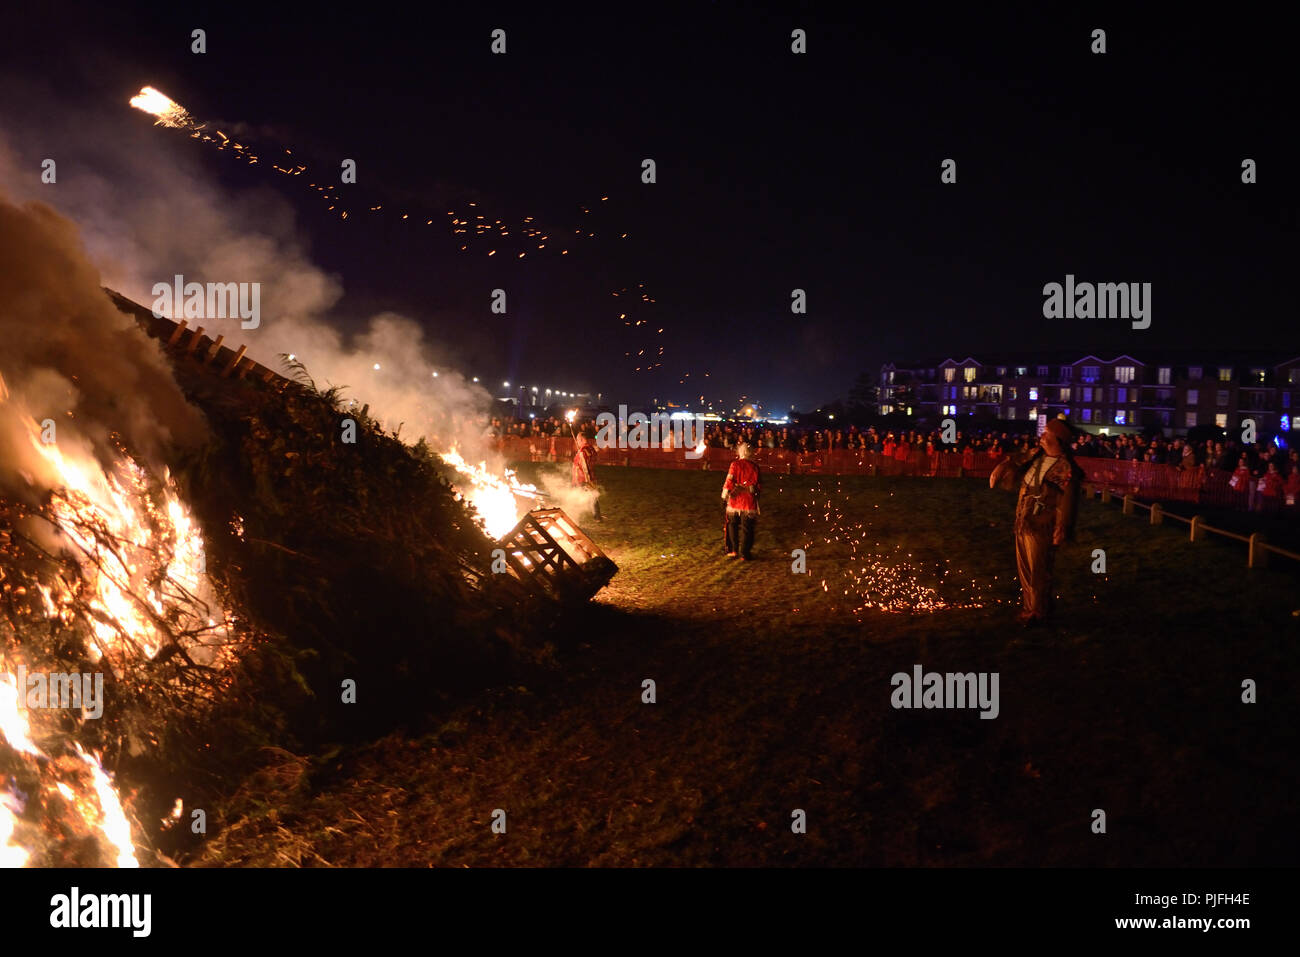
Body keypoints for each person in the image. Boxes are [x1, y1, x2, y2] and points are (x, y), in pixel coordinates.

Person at [988, 416, 1084, 625]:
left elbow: (1067, 503)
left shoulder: (1066, 469)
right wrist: (1001, 467)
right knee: (1024, 569)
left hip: (1042, 525)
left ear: (1057, 439)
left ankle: (1039, 611)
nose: (1041, 437)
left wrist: (1062, 528)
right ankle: (1029, 607)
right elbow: (1014, 460)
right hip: (1023, 521)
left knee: (1038, 571)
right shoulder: (1036, 455)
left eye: (1047, 433)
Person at [722, 442, 761, 561]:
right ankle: (745, 553)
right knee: (747, 528)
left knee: (732, 525)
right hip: (748, 502)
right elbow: (757, 486)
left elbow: (729, 481)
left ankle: (734, 550)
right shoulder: (754, 467)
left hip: (734, 500)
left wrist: (725, 495)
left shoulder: (735, 464)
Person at [572, 433, 602, 521]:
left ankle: (573, 516)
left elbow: (584, 466)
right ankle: (597, 517)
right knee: (593, 497)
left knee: (575, 496)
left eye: (578, 440)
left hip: (582, 478)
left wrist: (585, 479)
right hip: (591, 477)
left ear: (582, 439)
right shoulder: (591, 448)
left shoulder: (583, 451)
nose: (577, 442)